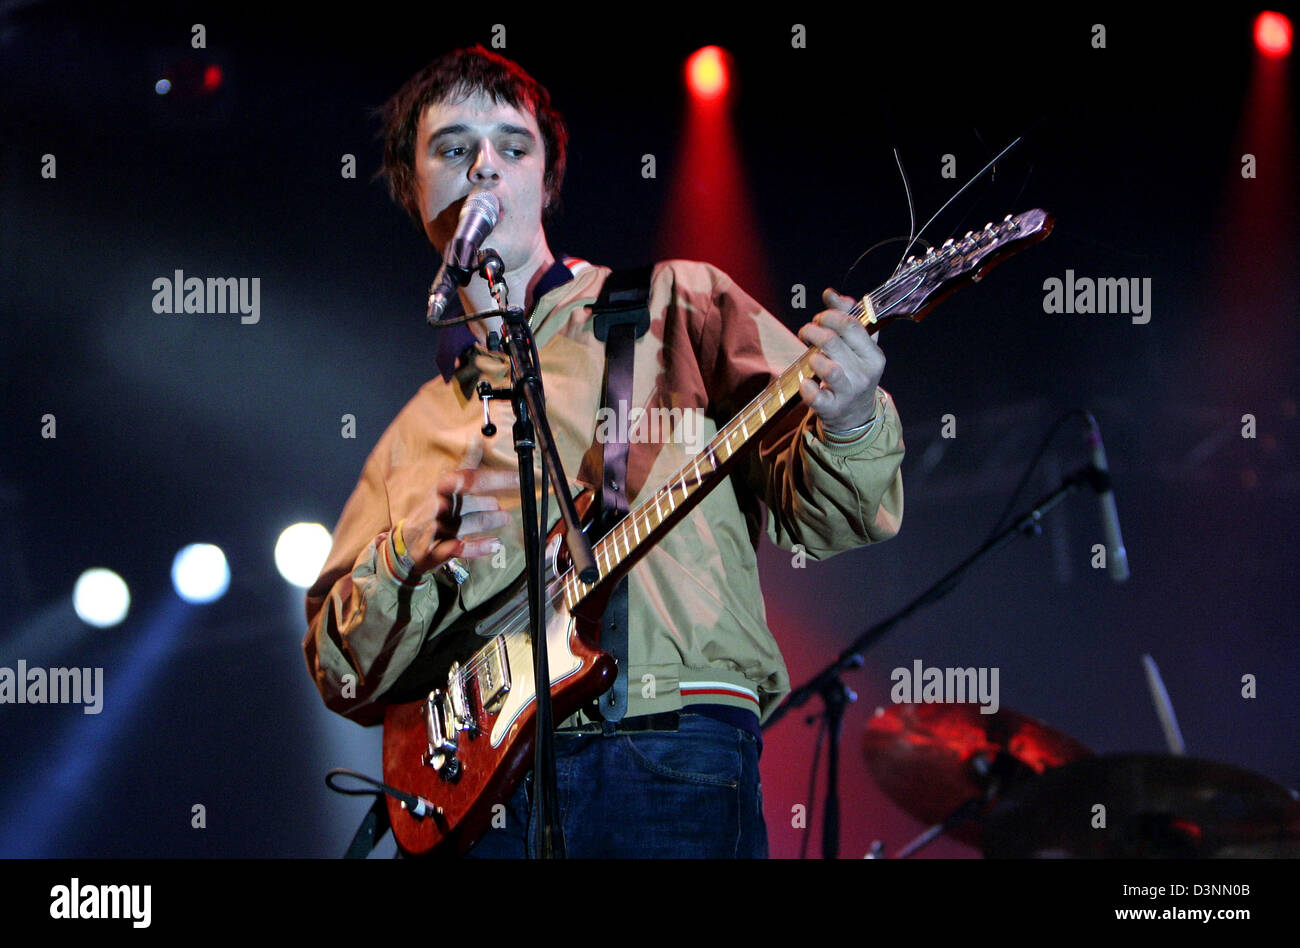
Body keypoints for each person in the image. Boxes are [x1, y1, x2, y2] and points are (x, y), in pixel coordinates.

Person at [302, 44, 904, 858]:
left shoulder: (676, 304)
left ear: (543, 182)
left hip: (669, 738)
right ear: (416, 189)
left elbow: (831, 519)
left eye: (512, 148)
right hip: (485, 790)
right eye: (453, 149)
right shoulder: (417, 427)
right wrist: (407, 557)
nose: (485, 167)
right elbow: (340, 670)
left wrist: (854, 416)